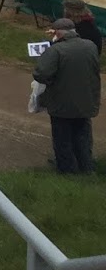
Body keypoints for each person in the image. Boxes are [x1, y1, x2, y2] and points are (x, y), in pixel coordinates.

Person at [32, 16, 99, 175]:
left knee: (62, 138)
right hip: (86, 101)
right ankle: (86, 167)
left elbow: (41, 74)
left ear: (57, 33)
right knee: (82, 136)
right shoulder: (90, 46)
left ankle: (67, 170)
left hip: (62, 102)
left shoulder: (55, 50)